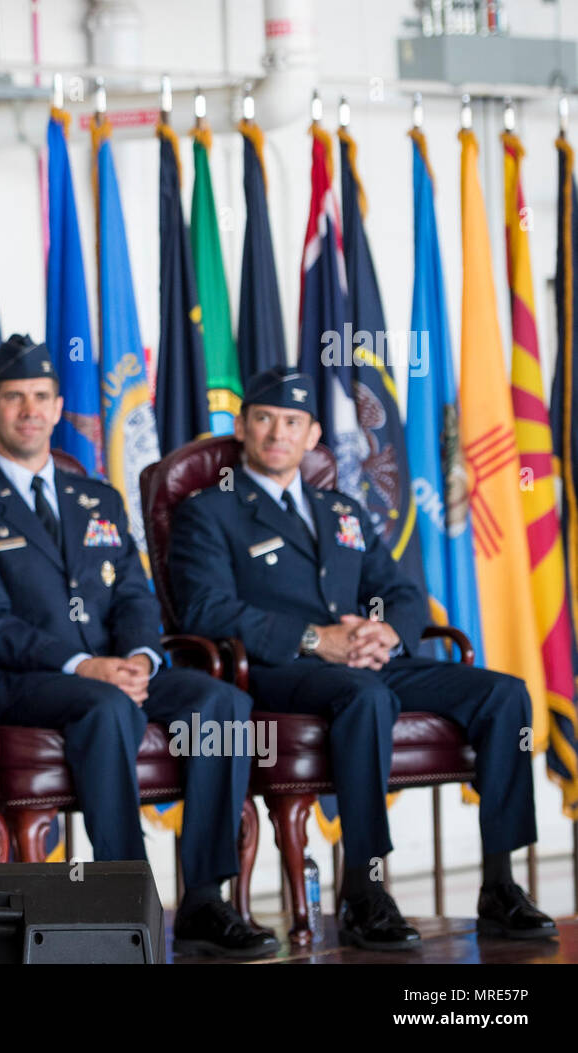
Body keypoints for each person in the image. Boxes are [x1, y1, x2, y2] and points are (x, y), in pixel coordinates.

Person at [168, 365, 556, 950]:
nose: (278, 433)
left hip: (364, 658)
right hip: (280, 668)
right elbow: (205, 610)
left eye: (292, 422)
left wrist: (388, 634)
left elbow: (400, 590)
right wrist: (313, 638)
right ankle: (364, 892)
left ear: (313, 434)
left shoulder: (341, 510)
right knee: (368, 696)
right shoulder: (209, 510)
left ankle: (499, 884)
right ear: (244, 427)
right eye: (265, 419)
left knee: (503, 693)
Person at [0, 334, 278, 959]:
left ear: (60, 407)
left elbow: (136, 597)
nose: (29, 410)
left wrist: (140, 659)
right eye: (14, 398)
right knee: (106, 707)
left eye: (41, 397)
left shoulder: (97, 499)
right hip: (24, 678)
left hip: (117, 668)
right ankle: (124, 897)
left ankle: (203, 899)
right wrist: (85, 666)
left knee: (224, 705)